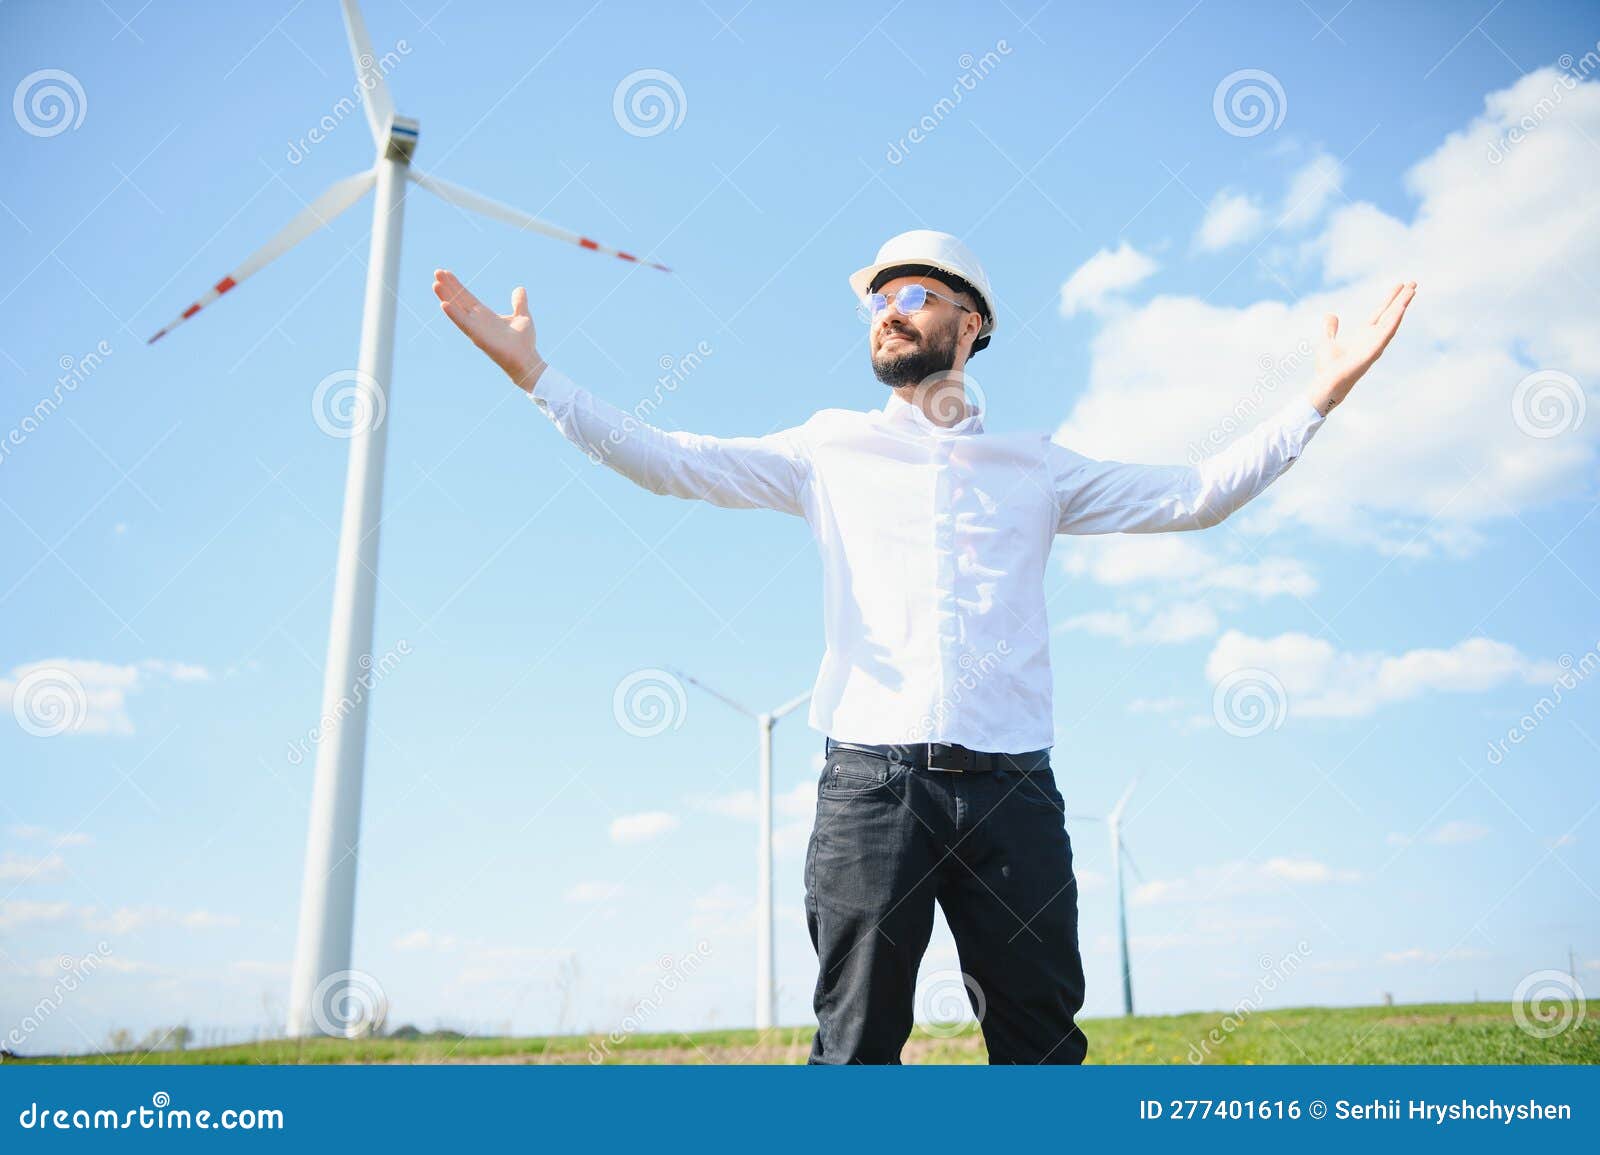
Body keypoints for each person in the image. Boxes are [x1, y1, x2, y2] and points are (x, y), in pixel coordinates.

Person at [432, 229, 1416, 1065]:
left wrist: (1317, 399)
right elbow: (670, 463)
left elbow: (1197, 496)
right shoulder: (827, 449)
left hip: (1013, 795)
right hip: (871, 790)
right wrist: (535, 376)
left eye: (912, 293)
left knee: (1040, 1046)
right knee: (854, 1049)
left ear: (971, 322)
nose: (887, 311)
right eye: (875, 300)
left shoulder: (1038, 465)